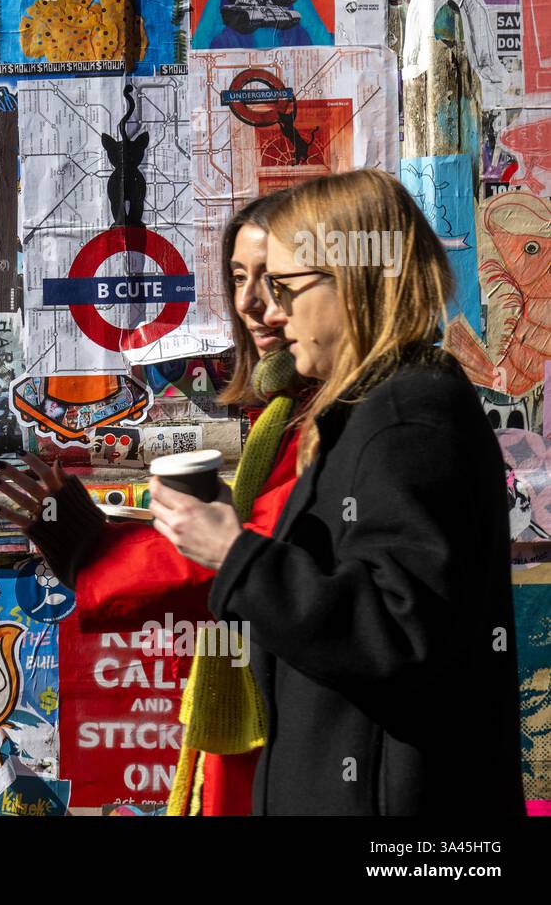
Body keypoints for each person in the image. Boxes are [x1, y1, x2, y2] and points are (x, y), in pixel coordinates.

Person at [148, 168, 525, 815]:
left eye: (287, 287)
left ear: (352, 283)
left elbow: (403, 638)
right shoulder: (376, 408)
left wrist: (239, 557)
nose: (271, 310)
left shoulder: (405, 420)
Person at [0, 190, 305, 815]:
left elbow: (242, 547)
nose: (249, 304)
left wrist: (91, 549)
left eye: (276, 281)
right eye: (239, 279)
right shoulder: (293, 413)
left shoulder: (344, 419)